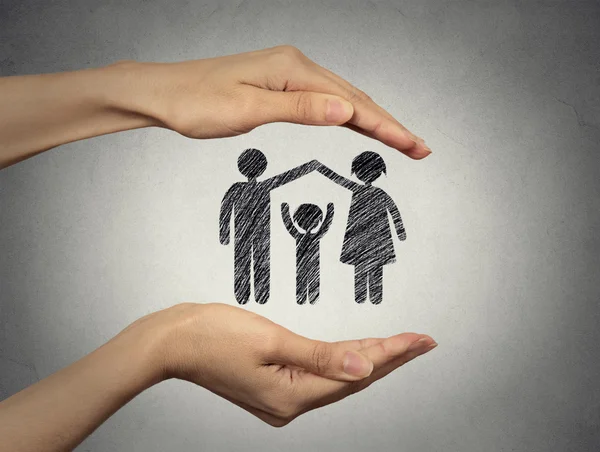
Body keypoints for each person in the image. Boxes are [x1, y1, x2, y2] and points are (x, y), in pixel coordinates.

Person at [0, 45, 435, 451]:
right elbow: (243, 208)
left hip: (284, 236)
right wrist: (165, 346)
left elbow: (364, 210)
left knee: (301, 269)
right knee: (276, 269)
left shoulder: (305, 192)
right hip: (278, 236)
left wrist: (134, 88)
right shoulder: (281, 193)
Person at [220, 149, 319, 305]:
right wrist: (310, 166)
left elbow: (225, 211)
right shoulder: (264, 186)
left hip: (247, 234)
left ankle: (244, 296)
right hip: (259, 234)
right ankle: (260, 296)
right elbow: (286, 177)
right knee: (259, 264)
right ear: (262, 168)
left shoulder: (237, 188)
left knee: (244, 264)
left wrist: (224, 235)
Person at [316, 152, 406, 304]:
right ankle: (372, 298)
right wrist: (400, 231)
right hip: (375, 240)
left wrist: (320, 168)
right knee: (371, 268)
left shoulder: (359, 190)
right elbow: (394, 211)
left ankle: (364, 297)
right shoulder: (378, 193)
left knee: (364, 268)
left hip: (365, 240)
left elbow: (338, 179)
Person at [281, 202, 335, 304]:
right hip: (306, 266)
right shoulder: (314, 236)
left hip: (308, 266)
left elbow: (289, 225)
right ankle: (305, 299)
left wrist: (284, 209)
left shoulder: (299, 235)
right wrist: (330, 210)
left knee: (308, 284)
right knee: (304, 283)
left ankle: (306, 299)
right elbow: (326, 225)